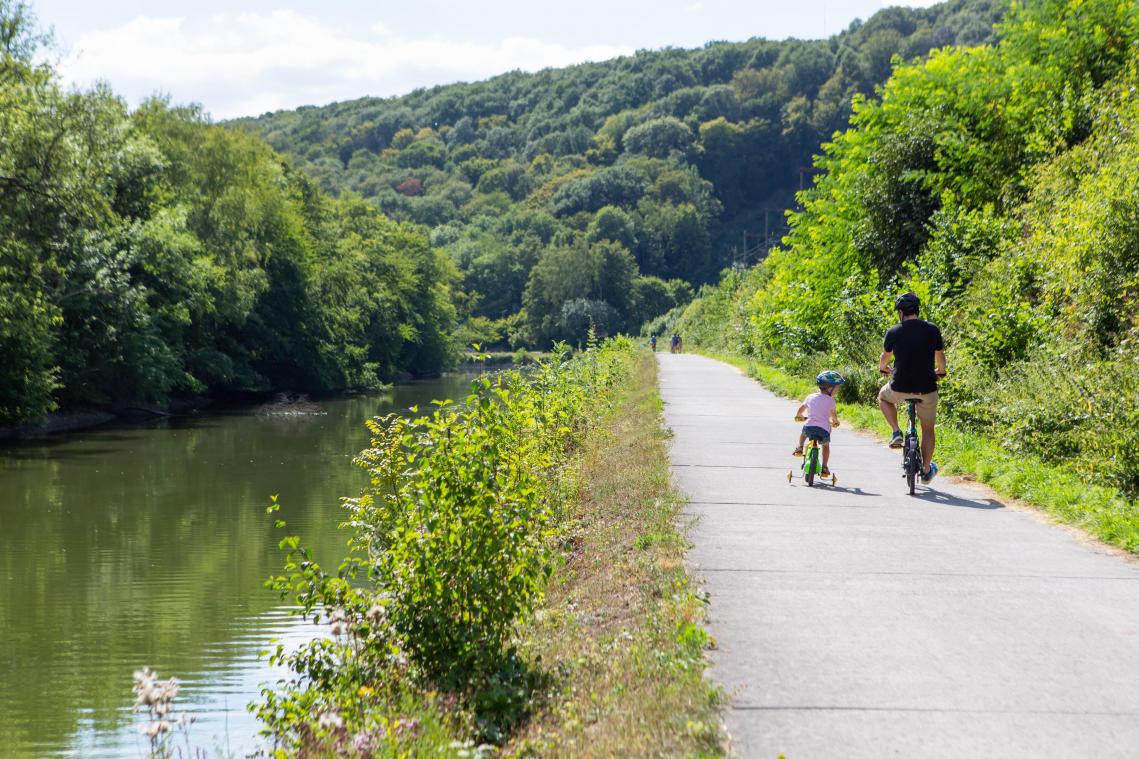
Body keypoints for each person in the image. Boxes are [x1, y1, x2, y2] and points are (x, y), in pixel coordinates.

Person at [878, 292, 947, 483]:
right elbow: (940, 357)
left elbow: (885, 358)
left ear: (900, 312)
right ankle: (925, 470)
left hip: (899, 387)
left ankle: (896, 432)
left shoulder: (894, 331)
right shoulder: (932, 330)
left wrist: (883, 368)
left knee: (883, 397)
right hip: (927, 389)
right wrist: (940, 372)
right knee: (928, 429)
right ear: (917, 310)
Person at [792, 370, 844, 476]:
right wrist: (835, 422)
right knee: (825, 446)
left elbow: (801, 408)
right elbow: (833, 415)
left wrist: (799, 416)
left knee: (804, 432)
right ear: (830, 388)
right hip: (823, 430)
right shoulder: (831, 401)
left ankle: (800, 447)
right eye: (837, 388)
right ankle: (824, 467)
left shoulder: (810, 397)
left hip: (809, 427)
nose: (837, 391)